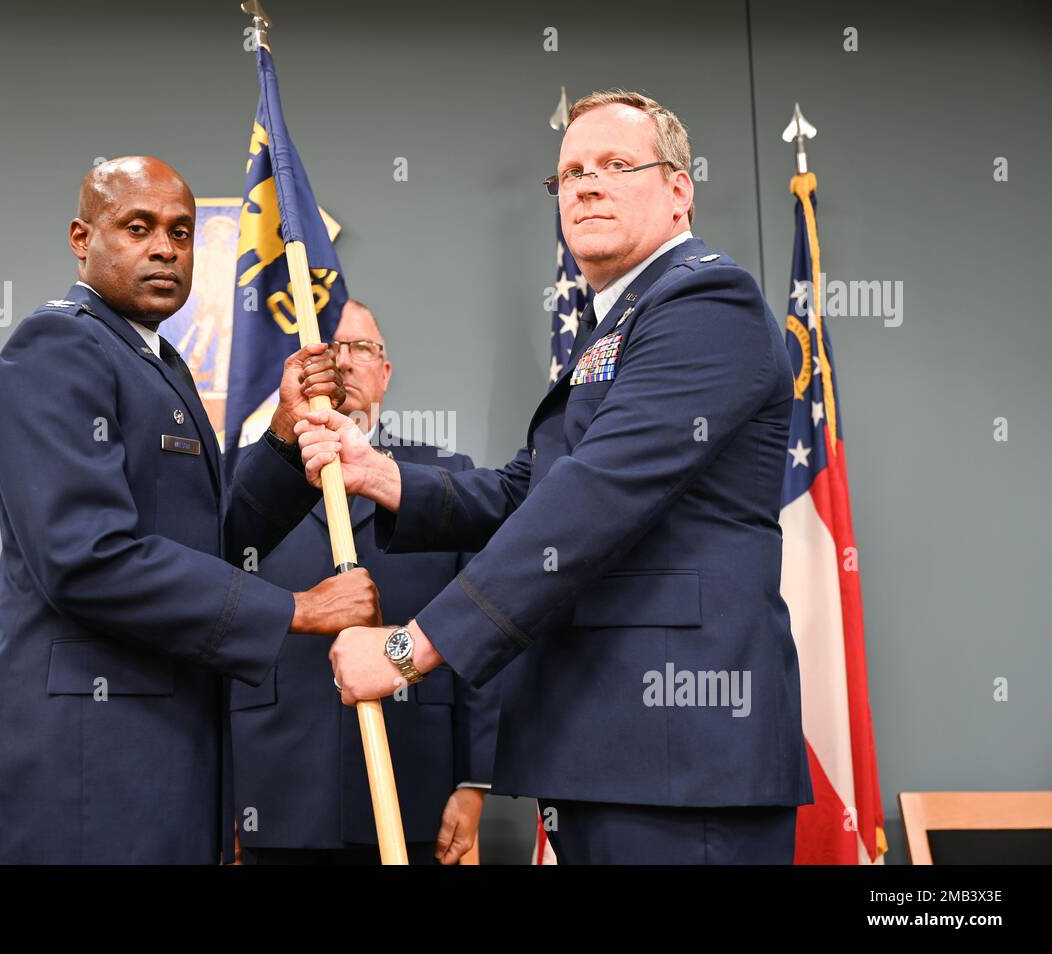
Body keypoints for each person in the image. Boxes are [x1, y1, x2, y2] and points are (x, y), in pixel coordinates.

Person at [298, 91, 813, 864]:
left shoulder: (707, 300)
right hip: (607, 746)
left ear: (679, 191)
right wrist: (378, 473)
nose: (586, 184)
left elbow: (593, 498)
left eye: (615, 164)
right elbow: (529, 491)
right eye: (569, 173)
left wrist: (410, 649)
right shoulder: (620, 320)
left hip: (679, 755)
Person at [0, 157, 380, 865]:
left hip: (165, 751)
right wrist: (294, 609)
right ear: (82, 238)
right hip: (83, 761)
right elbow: (86, 560)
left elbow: (208, 544)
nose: (165, 248)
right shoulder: (57, 347)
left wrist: (281, 436)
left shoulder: (157, 362)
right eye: (138, 227)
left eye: (180, 232)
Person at [230, 300, 499, 865]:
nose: (344, 362)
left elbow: (483, 624)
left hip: (414, 789)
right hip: (271, 798)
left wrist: (474, 783)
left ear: (385, 372)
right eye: (329, 347)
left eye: (362, 349)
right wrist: (221, 797)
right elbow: (210, 635)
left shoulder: (451, 481)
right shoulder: (239, 483)